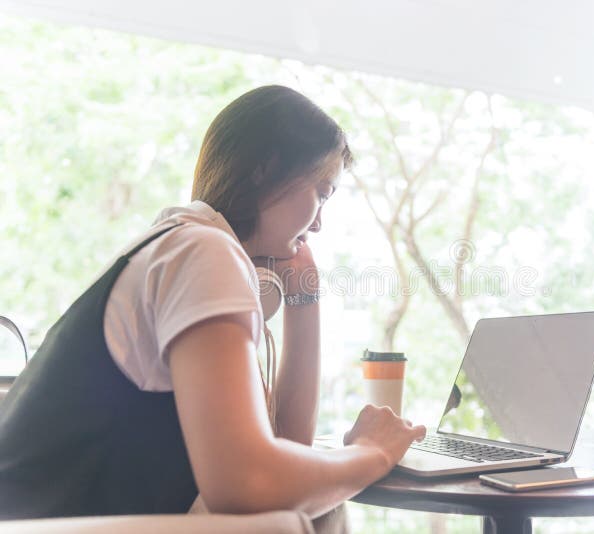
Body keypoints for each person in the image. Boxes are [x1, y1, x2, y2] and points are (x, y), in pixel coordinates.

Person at [0, 85, 426, 520]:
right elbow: (249, 486)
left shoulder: (184, 242)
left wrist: (304, 299)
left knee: (324, 507)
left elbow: (285, 456)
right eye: (321, 191)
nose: (318, 223)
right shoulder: (203, 252)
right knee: (328, 509)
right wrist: (374, 454)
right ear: (267, 168)